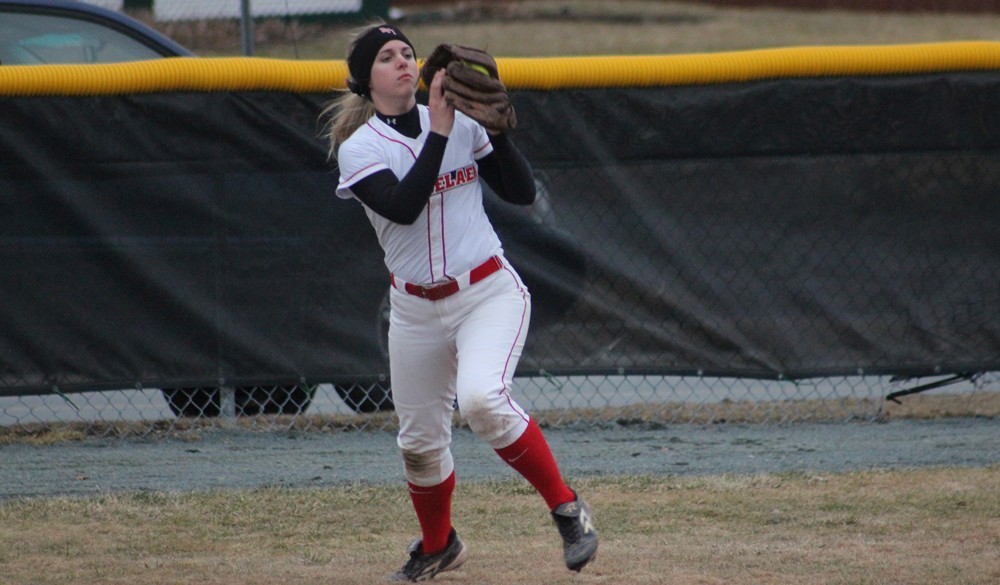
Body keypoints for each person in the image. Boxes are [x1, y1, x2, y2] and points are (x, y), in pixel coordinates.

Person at [321, 22, 599, 583]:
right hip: (415, 311)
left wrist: (497, 133)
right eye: (385, 57)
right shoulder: (362, 149)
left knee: (482, 400)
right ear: (363, 80)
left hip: (486, 293)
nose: (402, 61)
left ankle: (568, 509)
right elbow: (402, 206)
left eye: (407, 52)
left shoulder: (459, 124)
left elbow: (519, 193)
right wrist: (443, 134)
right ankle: (438, 545)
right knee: (420, 444)